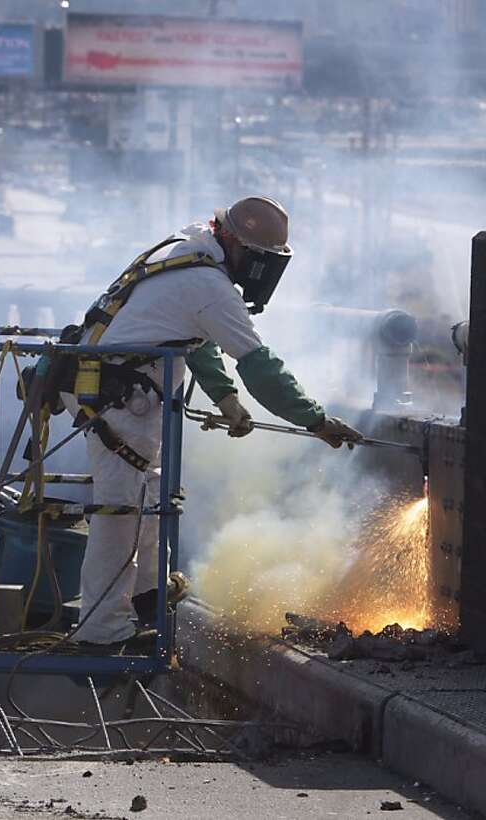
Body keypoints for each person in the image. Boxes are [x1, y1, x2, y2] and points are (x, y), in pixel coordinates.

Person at [74, 196, 363, 650]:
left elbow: (194, 335)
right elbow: (260, 366)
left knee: (145, 496)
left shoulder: (190, 247)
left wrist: (225, 399)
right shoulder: (209, 285)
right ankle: (101, 633)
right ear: (240, 246)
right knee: (120, 511)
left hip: (123, 393)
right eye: (260, 261)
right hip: (119, 398)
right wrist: (316, 421)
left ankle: (147, 598)